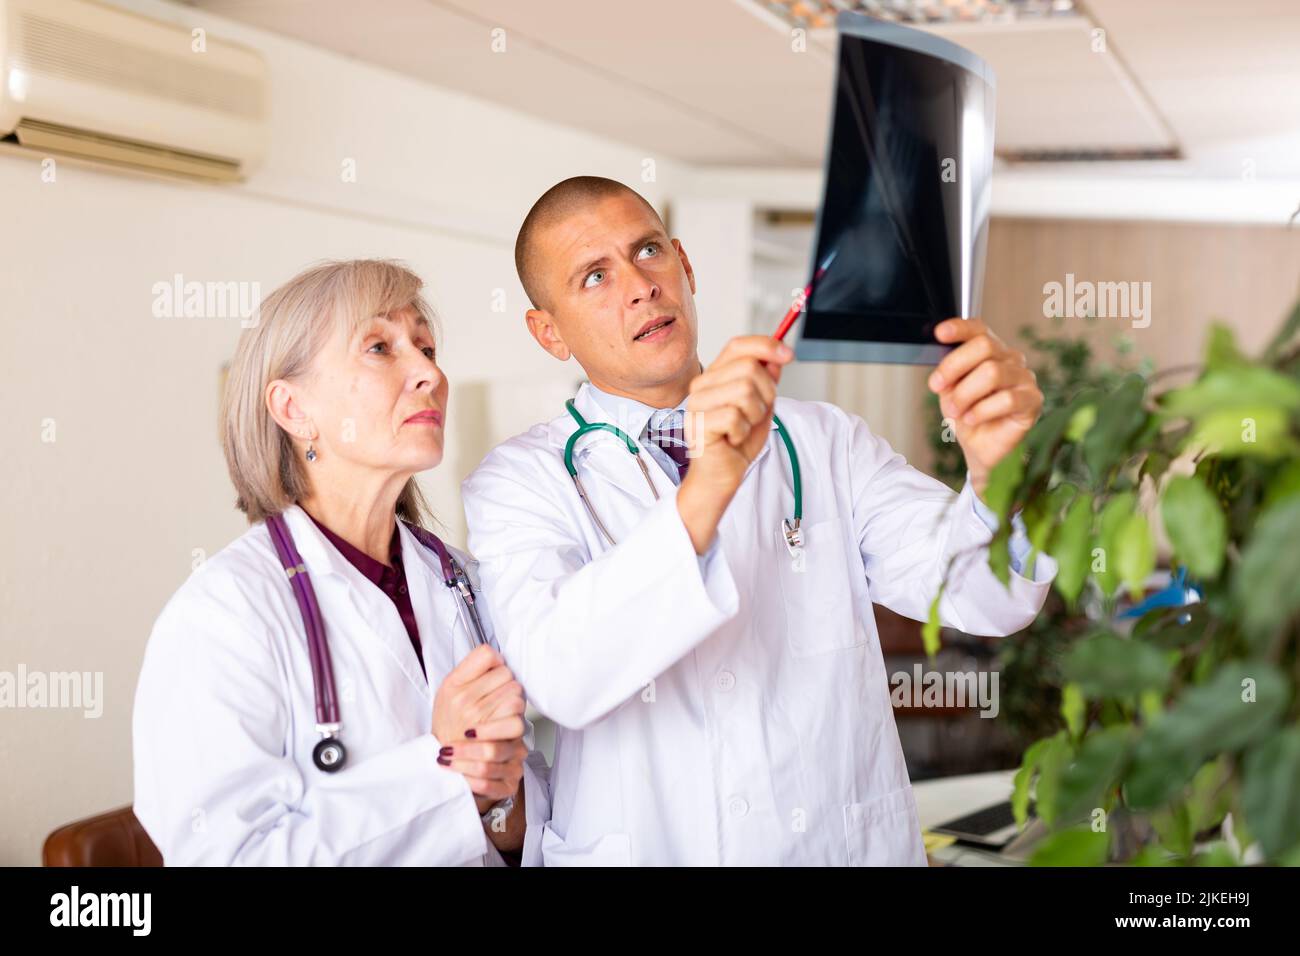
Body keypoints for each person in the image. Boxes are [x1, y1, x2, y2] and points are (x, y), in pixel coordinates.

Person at [461, 177, 1057, 865]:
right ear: (549, 332)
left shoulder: (823, 440)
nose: (639, 286)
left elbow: (990, 598)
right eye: (594, 276)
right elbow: (565, 677)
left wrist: (1000, 471)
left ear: (685, 266)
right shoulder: (519, 483)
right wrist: (710, 480)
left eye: (649, 251)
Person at [133, 259, 549, 865]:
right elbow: (228, 857)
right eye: (380, 347)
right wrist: (445, 772)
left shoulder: (461, 580)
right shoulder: (222, 615)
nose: (429, 372)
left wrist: (500, 806)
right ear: (293, 408)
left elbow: (521, 805)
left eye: (427, 347)